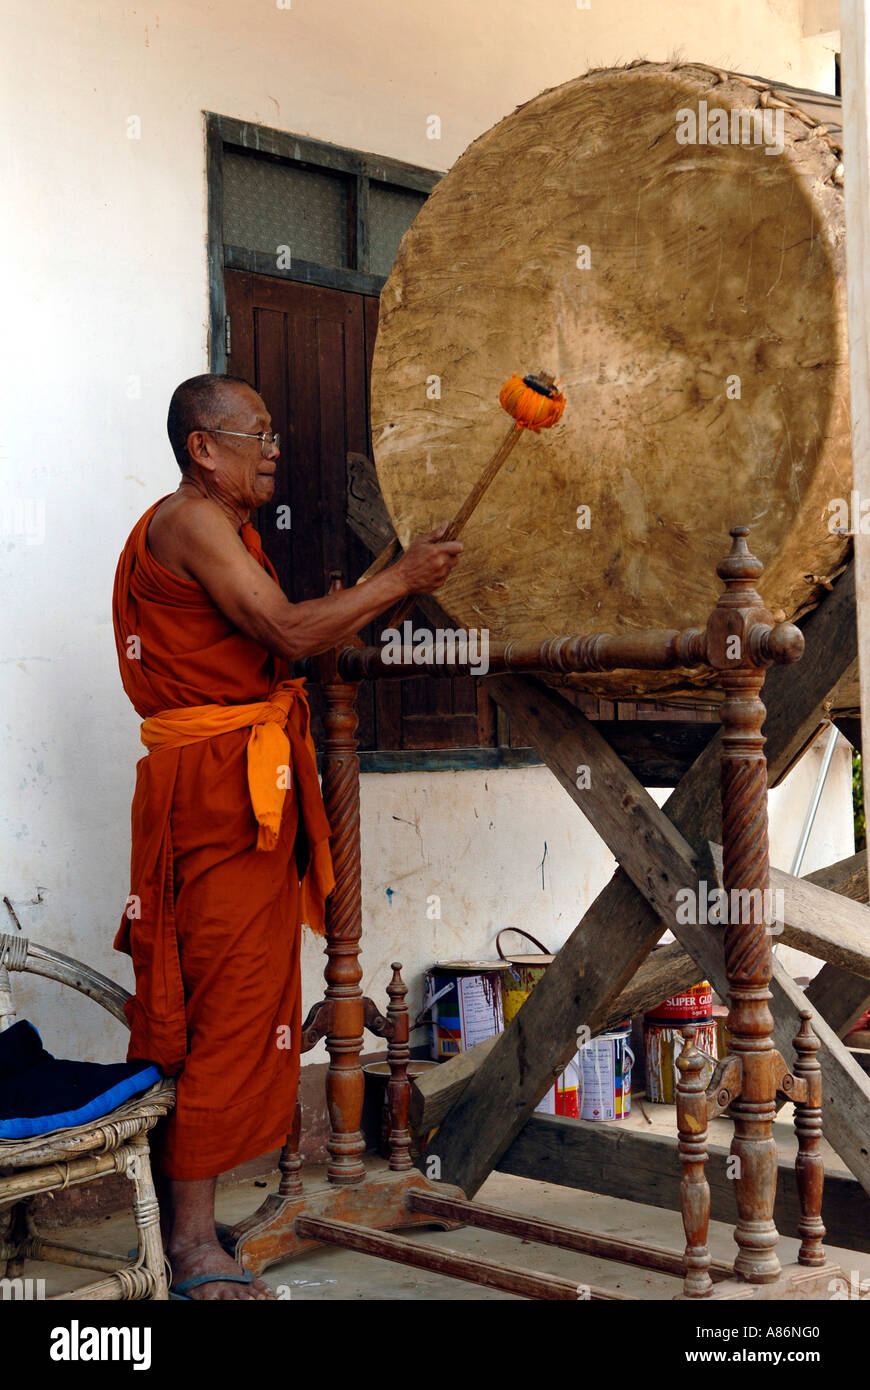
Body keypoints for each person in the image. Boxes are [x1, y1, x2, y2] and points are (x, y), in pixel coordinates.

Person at [112, 372, 462, 1299]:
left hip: (237, 783)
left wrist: (381, 591)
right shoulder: (189, 521)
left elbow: (280, 641)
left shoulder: (230, 530)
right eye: (256, 432)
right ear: (203, 447)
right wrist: (402, 580)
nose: (274, 447)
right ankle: (190, 1249)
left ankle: (185, 1219)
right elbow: (283, 628)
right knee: (224, 1011)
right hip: (218, 793)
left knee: (239, 999)